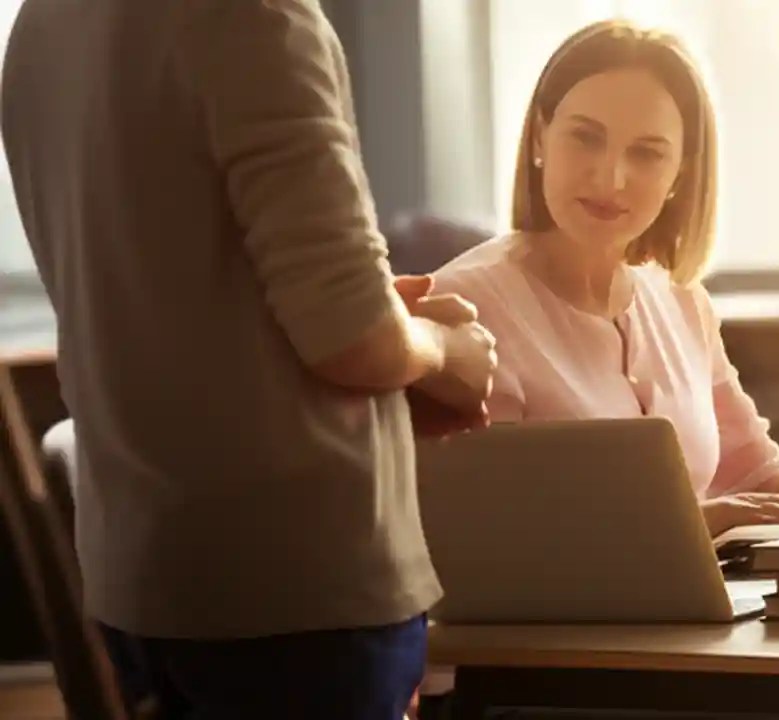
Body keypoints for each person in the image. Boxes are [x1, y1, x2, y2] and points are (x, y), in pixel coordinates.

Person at [2, 1, 494, 718]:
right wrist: (450, 350)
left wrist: (376, 323)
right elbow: (350, 336)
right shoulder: (252, 14)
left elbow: (171, 297)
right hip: (295, 593)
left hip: (138, 574)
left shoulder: (42, 25)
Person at [429, 19, 779, 536]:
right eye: (585, 138)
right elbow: (486, 524)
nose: (611, 178)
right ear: (541, 138)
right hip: (552, 617)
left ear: (680, 173)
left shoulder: (679, 298)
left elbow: (754, 476)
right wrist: (685, 525)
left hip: (696, 608)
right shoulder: (462, 304)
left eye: (647, 153)